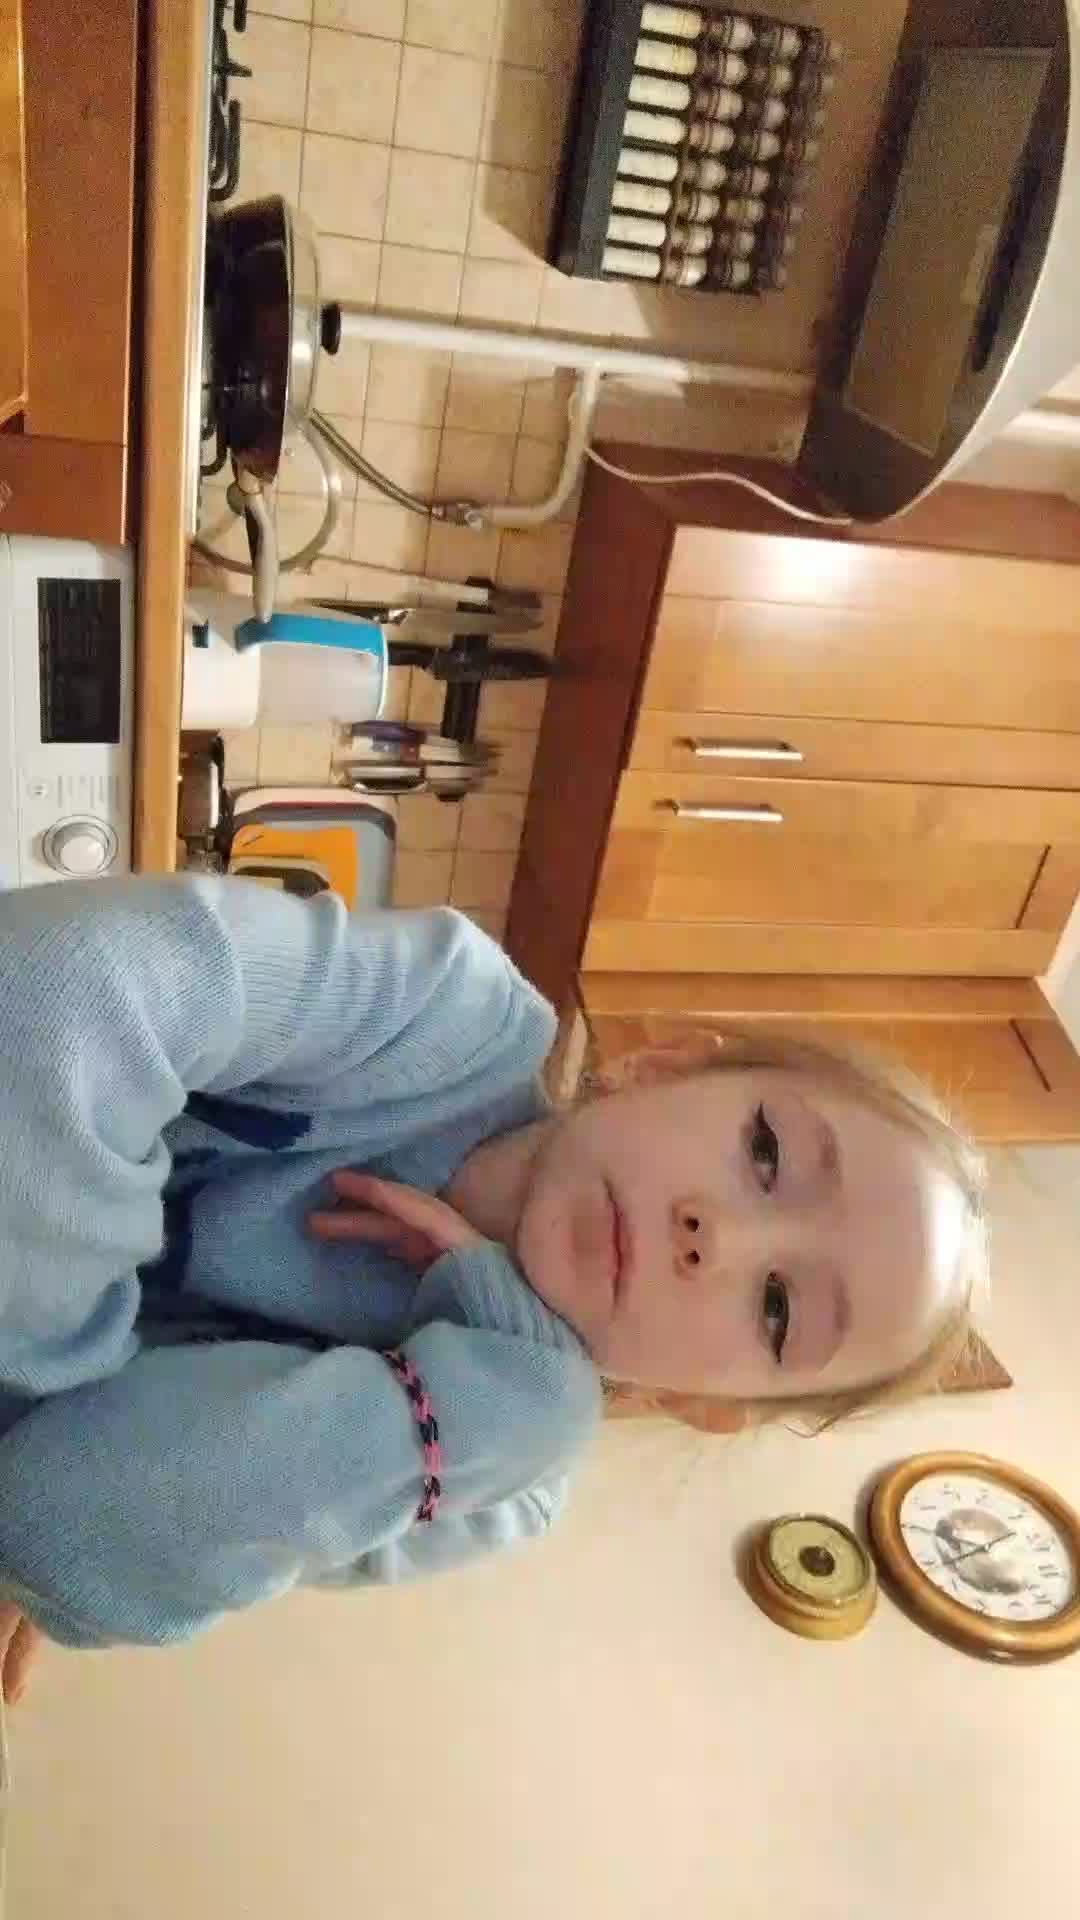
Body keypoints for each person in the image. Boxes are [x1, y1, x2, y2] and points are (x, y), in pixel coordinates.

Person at [0, 874, 985, 1681]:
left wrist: (483, 1407)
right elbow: (61, 989)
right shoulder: (450, 1013)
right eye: (765, 1150)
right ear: (664, 1066)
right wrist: (38, 1398)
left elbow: (62, 1528)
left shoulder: (495, 1473)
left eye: (776, 1309)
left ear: (704, 1406)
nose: (716, 1237)